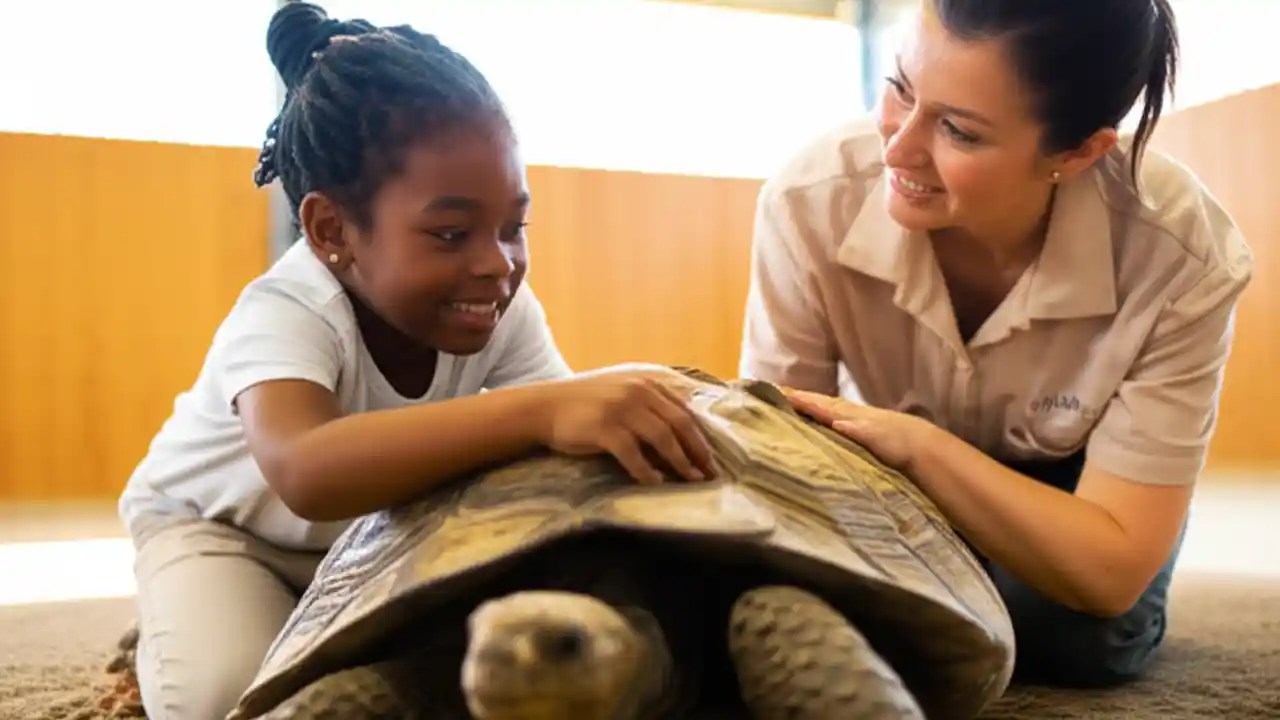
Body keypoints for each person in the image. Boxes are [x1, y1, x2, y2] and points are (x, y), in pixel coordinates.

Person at [116, 4, 716, 718]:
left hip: (377, 540)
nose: (497, 263)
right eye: (452, 232)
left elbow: (556, 469)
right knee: (231, 699)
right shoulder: (285, 310)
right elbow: (307, 468)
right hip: (227, 532)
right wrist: (545, 409)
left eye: (513, 227)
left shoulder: (499, 309)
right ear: (331, 229)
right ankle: (163, 626)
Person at [739, 0, 1253, 689]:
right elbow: (775, 458)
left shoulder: (1181, 256)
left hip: (1078, 490)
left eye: (958, 130)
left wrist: (920, 447)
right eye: (900, 88)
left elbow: (1108, 566)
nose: (897, 146)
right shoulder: (809, 200)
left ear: (1078, 153)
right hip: (877, 468)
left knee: (1074, 634)